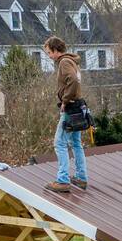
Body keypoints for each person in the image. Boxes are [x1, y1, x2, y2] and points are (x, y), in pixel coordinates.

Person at [43, 36, 88, 194]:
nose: (49, 56)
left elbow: (74, 81)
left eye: (49, 52)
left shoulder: (64, 62)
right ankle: (81, 178)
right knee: (76, 143)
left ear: (56, 50)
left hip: (70, 107)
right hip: (78, 106)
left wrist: (65, 101)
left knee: (59, 143)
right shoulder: (72, 61)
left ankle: (62, 181)